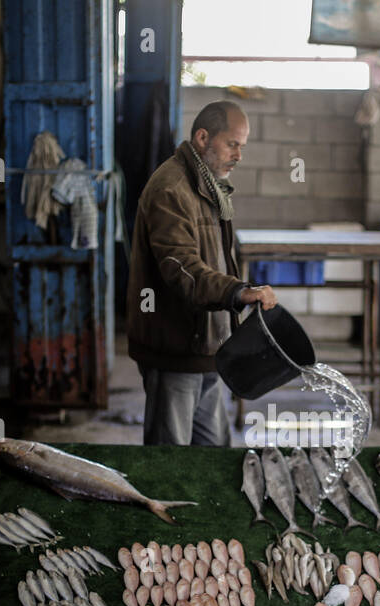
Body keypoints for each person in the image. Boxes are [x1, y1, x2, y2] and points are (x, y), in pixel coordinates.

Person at [126, 101, 277, 446]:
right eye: (232, 144)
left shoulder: (206, 184)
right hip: (174, 347)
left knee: (214, 455)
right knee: (171, 460)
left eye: (243, 146)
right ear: (203, 137)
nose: (239, 155)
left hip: (207, 346)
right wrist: (236, 292)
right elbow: (182, 268)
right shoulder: (171, 188)